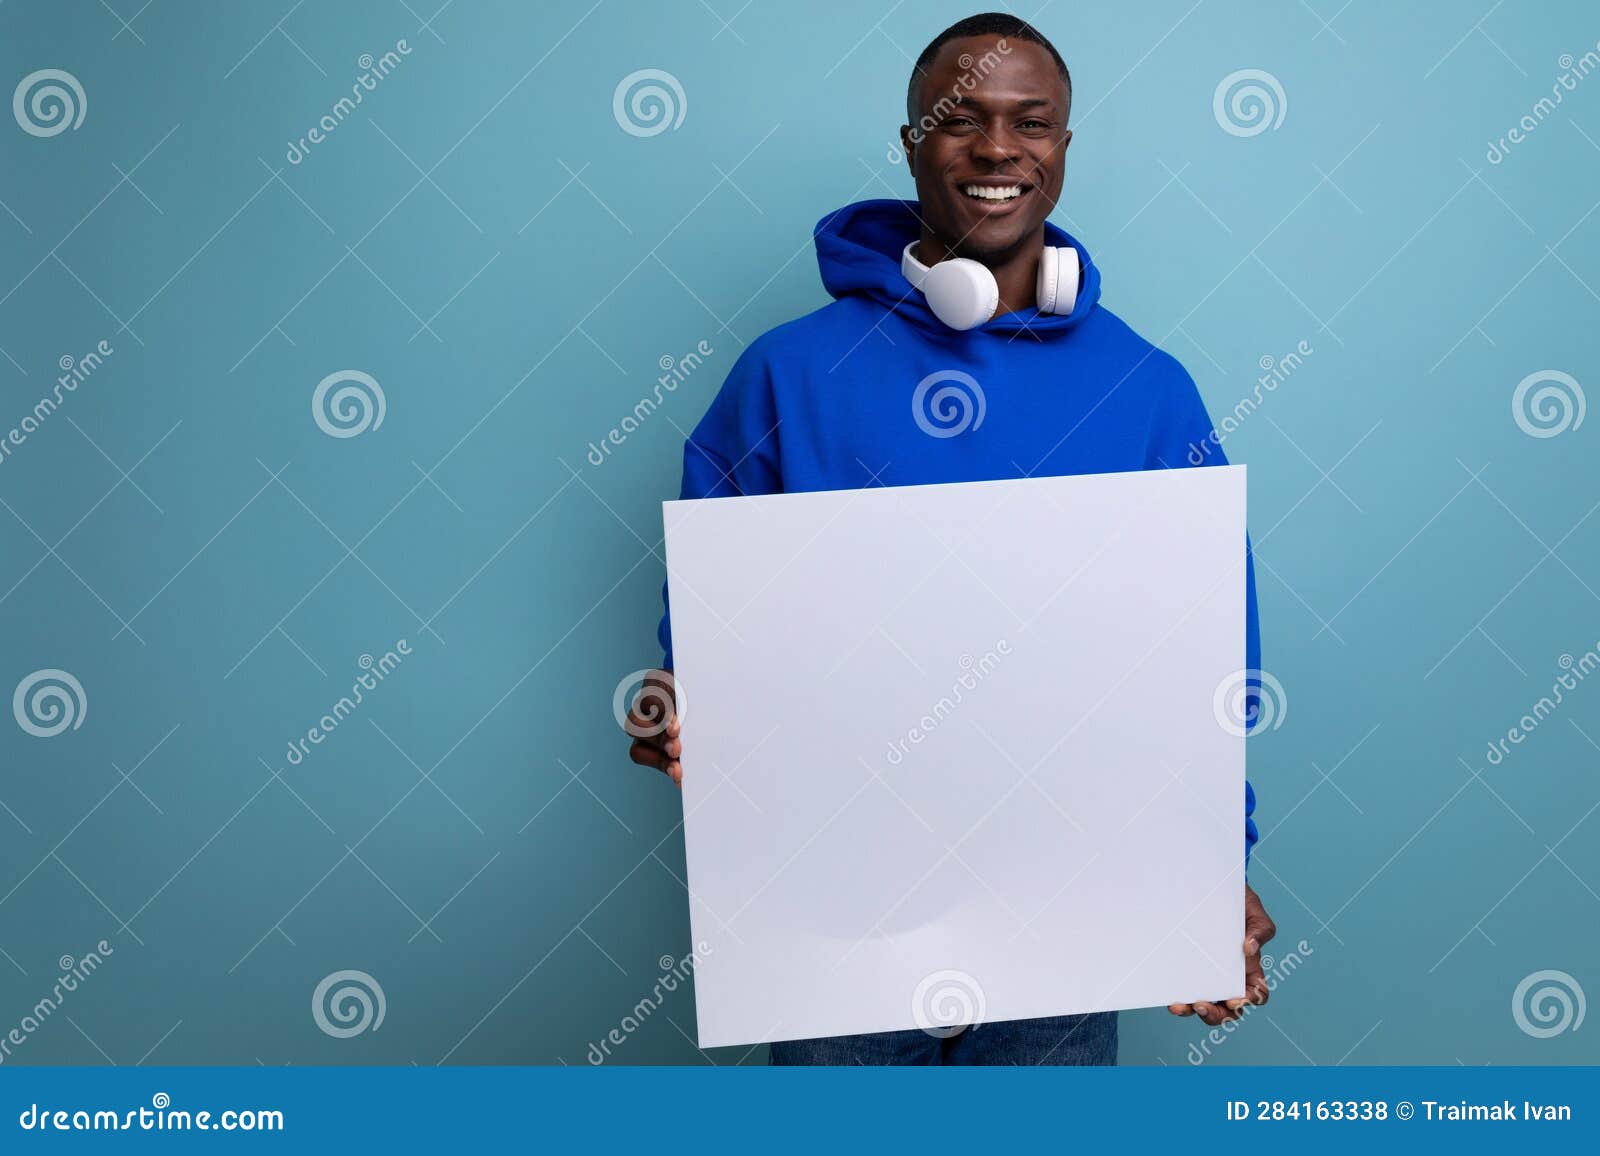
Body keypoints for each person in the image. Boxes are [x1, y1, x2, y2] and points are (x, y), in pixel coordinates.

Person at [627, 11, 1276, 1065]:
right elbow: (709, 638)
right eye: (959, 119)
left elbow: (1208, 666)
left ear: (1063, 148)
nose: (996, 147)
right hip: (832, 908)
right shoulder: (785, 376)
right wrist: (689, 706)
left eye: (1033, 121)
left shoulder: (1147, 390)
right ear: (911, 143)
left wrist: (1208, 863)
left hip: (1069, 904)